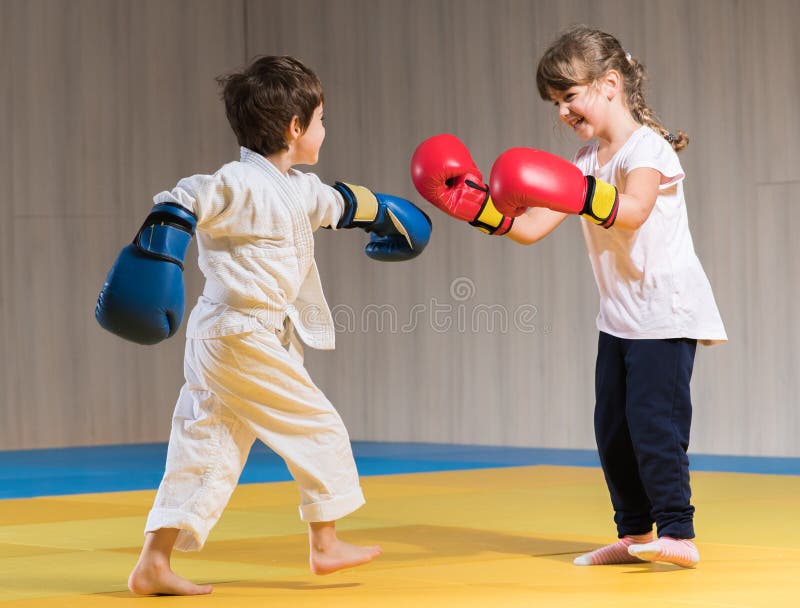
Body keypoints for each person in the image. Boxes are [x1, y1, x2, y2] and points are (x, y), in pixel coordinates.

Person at [96, 55, 431, 595]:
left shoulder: (294, 188)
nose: (325, 129)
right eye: (320, 120)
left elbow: (341, 204)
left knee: (205, 446)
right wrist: (159, 251)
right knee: (317, 425)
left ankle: (153, 563)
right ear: (296, 128)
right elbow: (185, 200)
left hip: (238, 337)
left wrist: (387, 215)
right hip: (238, 334)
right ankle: (324, 542)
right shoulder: (237, 184)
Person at [411, 25, 726, 569]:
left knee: (656, 423)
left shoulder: (647, 149)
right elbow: (531, 228)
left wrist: (579, 193)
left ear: (608, 84)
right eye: (555, 102)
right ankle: (633, 535)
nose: (562, 110)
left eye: (569, 95)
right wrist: (477, 209)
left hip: (667, 312)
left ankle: (678, 532)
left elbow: (633, 210)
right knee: (612, 427)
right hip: (620, 316)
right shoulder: (584, 159)